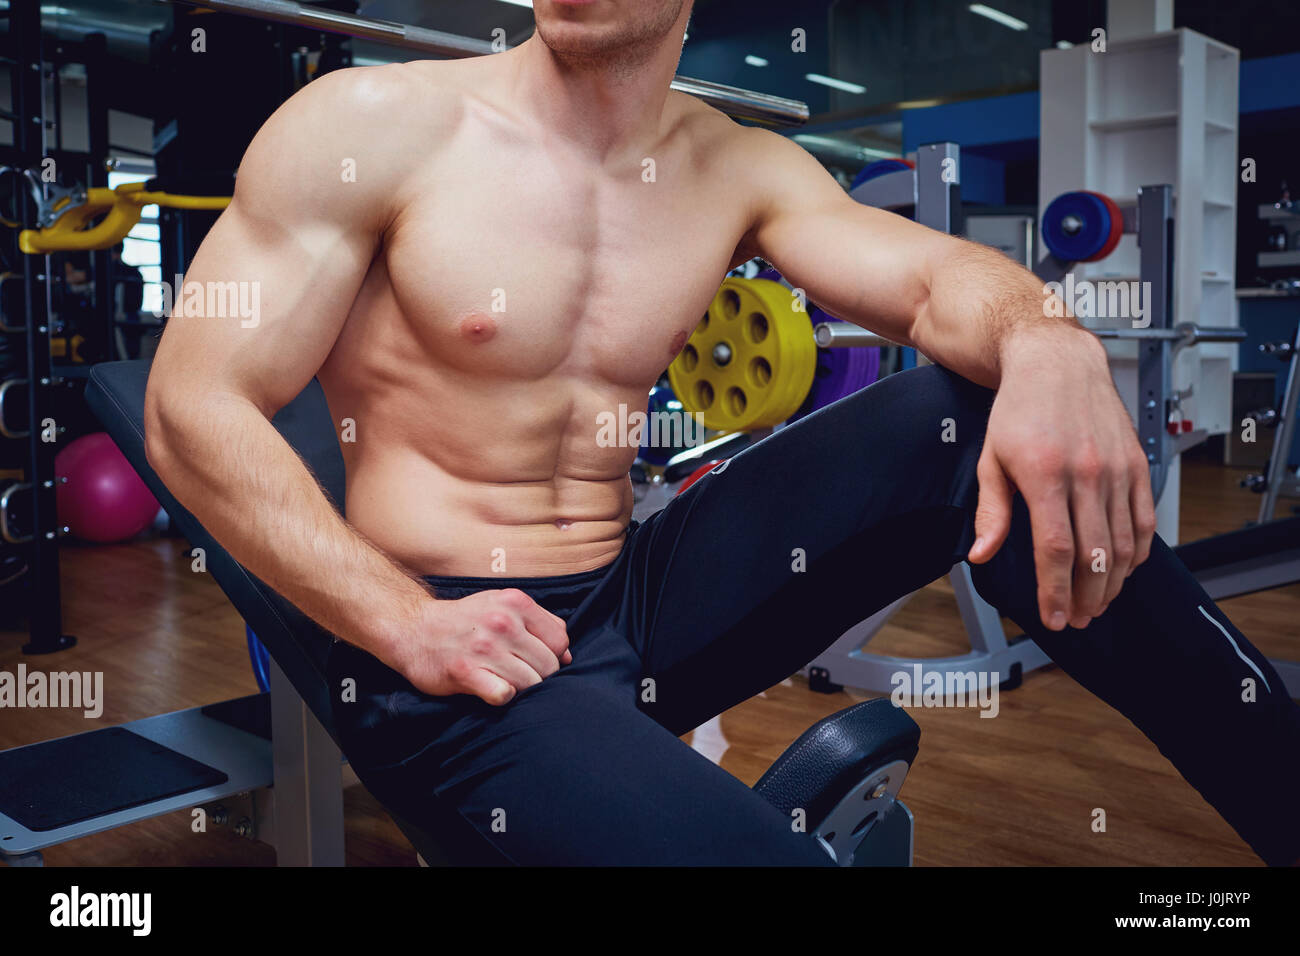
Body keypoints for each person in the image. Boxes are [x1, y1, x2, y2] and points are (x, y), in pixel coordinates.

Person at [142, 0, 1299, 865]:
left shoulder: (734, 163)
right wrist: (403, 620)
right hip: (449, 644)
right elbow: (190, 408)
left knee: (974, 409)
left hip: (630, 599)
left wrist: (1052, 343)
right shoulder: (368, 124)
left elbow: (938, 283)